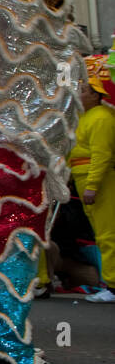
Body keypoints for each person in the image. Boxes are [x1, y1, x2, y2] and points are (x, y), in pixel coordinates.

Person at [72, 68, 115, 303]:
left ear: (96, 95)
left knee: (108, 234)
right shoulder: (86, 117)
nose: (79, 94)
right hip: (83, 178)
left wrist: (92, 185)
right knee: (102, 234)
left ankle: (113, 285)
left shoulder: (101, 117)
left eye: (83, 90)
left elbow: (102, 155)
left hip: (99, 181)